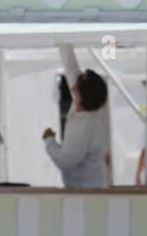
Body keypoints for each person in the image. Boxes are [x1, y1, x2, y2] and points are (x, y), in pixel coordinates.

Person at [42, 44, 109, 188]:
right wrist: (64, 44)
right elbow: (72, 70)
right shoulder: (90, 109)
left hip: (85, 194)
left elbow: (65, 161)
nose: (73, 85)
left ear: (81, 95)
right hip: (89, 190)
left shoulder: (84, 127)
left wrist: (49, 141)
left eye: (77, 85)